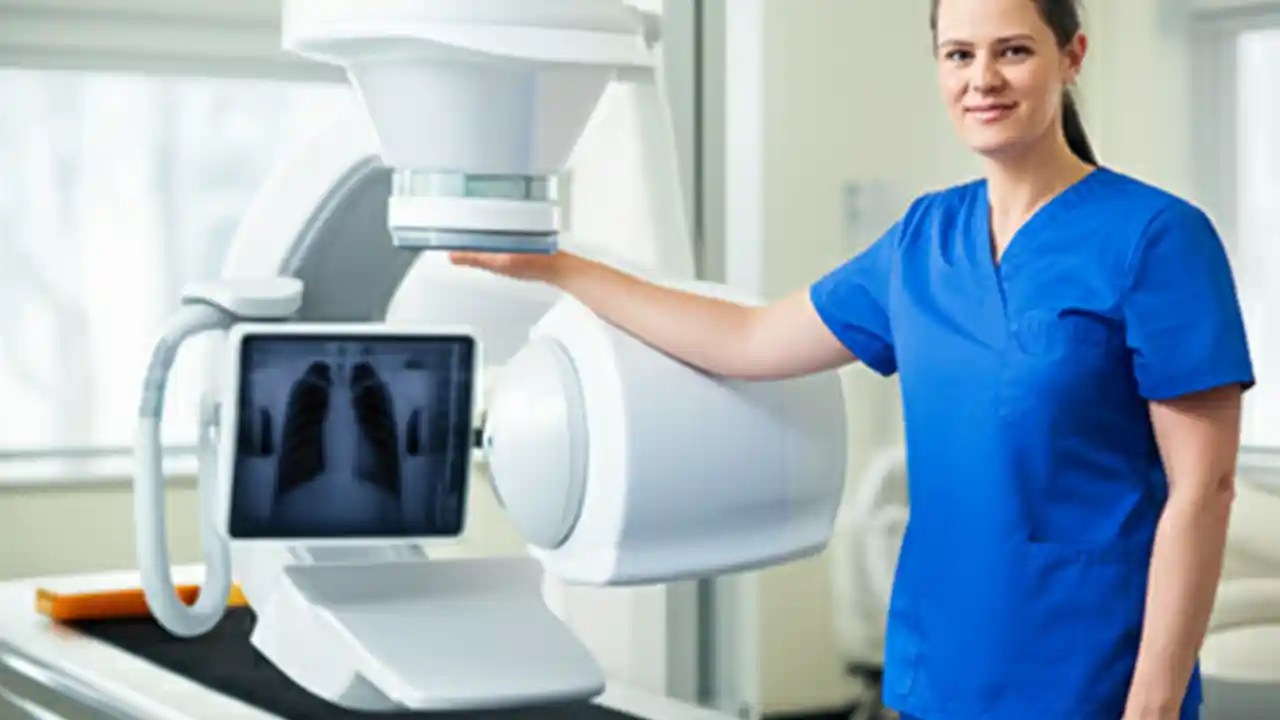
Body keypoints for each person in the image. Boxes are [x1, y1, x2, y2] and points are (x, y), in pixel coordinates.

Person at [451, 0, 1255, 717]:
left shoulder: (1156, 238)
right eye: (958, 54)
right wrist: (557, 266)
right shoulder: (922, 241)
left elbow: (1205, 487)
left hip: (1090, 674)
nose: (983, 78)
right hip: (937, 666)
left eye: (1013, 50)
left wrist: (1151, 700)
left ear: (1071, 56)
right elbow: (750, 339)